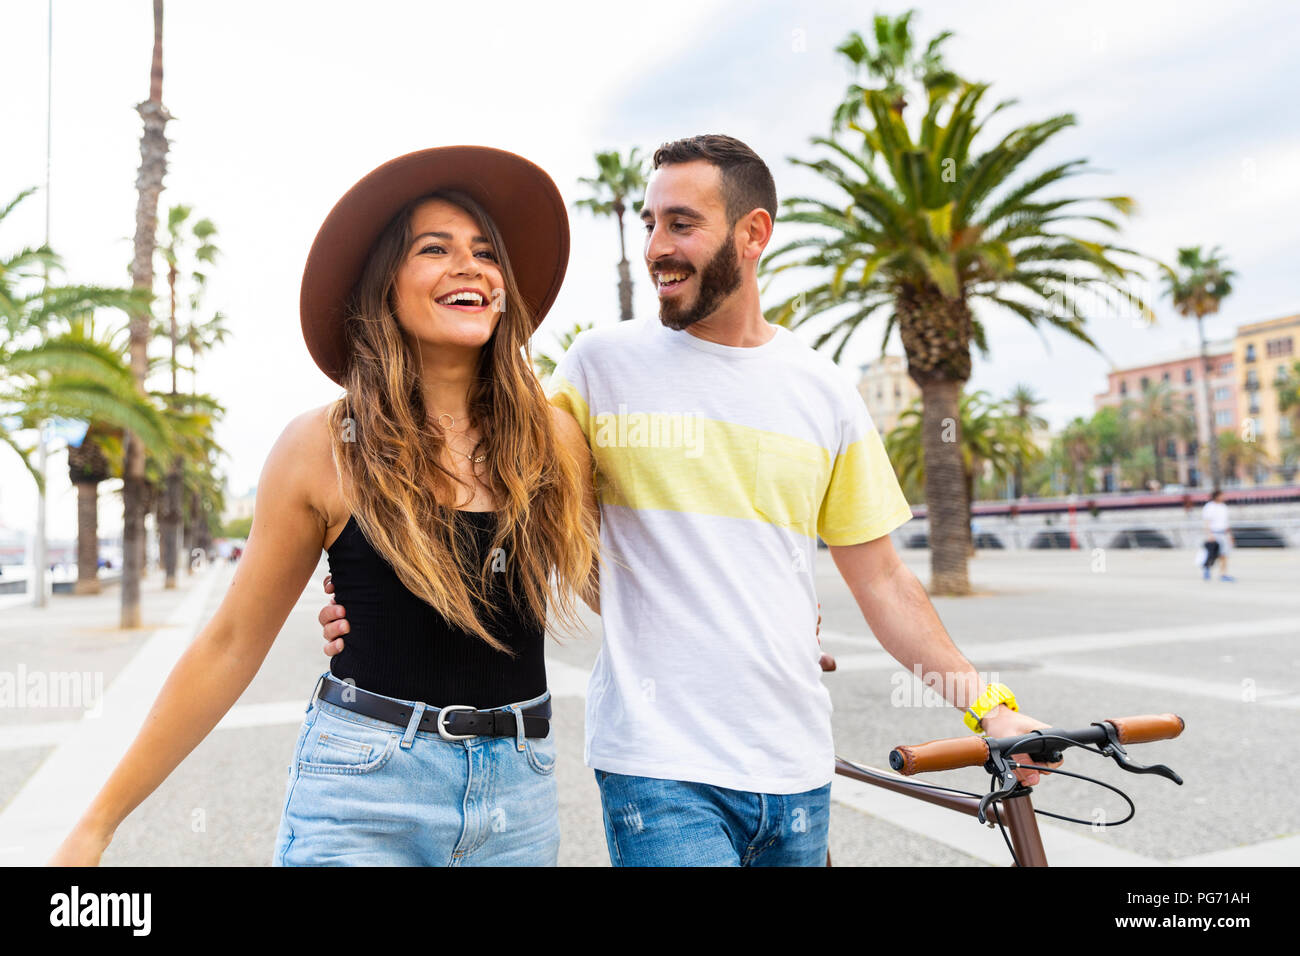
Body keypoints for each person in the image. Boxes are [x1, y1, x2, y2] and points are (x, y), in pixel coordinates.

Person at [320, 134, 1060, 867]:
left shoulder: (823, 388)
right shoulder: (600, 368)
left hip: (797, 762)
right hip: (659, 767)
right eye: (648, 223)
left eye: (681, 223)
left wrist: (987, 706)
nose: (655, 248)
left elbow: (886, 582)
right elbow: (480, 474)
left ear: (754, 233)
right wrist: (371, 585)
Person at [49, 146, 599, 867]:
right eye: (436, 249)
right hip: (363, 791)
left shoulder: (552, 437)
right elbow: (231, 643)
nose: (471, 266)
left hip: (519, 802)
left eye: (486, 253)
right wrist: (98, 823)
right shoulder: (323, 447)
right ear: (386, 286)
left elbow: (617, 586)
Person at [1202, 488, 1235, 581]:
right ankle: (1207, 569)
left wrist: (1230, 535)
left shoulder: (1224, 507)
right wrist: (1209, 534)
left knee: (1224, 555)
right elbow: (1207, 522)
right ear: (1216, 496)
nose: (1223, 497)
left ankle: (1223, 574)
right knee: (1212, 554)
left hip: (1224, 533)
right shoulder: (1209, 507)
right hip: (1214, 534)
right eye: (1221, 495)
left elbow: (1226, 523)